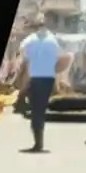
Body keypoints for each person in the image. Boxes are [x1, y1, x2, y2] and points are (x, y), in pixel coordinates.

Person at [18, 16, 62, 153]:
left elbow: (25, 63)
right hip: (48, 79)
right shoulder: (53, 41)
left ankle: (38, 143)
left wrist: (22, 85)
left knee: (36, 111)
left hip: (34, 79)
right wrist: (57, 81)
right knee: (40, 110)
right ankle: (39, 141)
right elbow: (58, 62)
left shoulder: (28, 41)